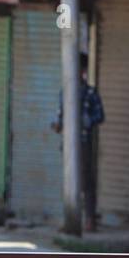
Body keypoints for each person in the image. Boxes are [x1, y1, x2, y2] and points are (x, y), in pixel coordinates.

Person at [52, 52, 105, 232]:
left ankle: (89, 220)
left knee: (86, 183)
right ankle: (70, 218)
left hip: (84, 143)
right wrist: (58, 126)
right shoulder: (64, 92)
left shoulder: (90, 93)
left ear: (82, 70)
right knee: (69, 182)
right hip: (67, 145)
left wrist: (85, 121)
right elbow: (59, 117)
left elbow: (99, 116)